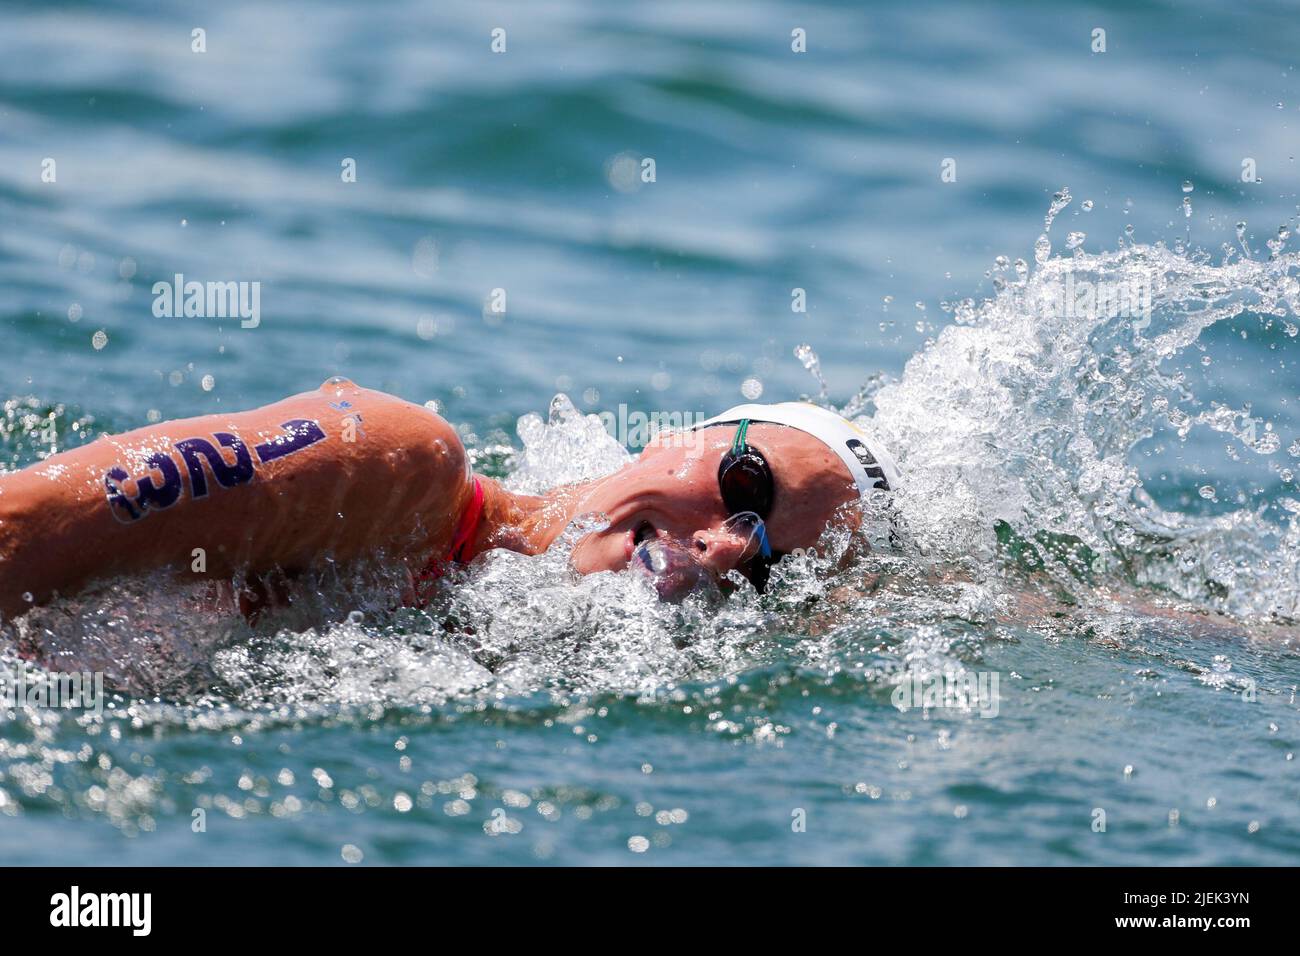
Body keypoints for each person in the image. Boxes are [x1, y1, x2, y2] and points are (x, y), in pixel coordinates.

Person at [0, 377, 900, 617]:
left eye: (766, 573)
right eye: (747, 488)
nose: (724, 548)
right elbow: (21, 526)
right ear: (677, 436)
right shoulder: (399, 470)